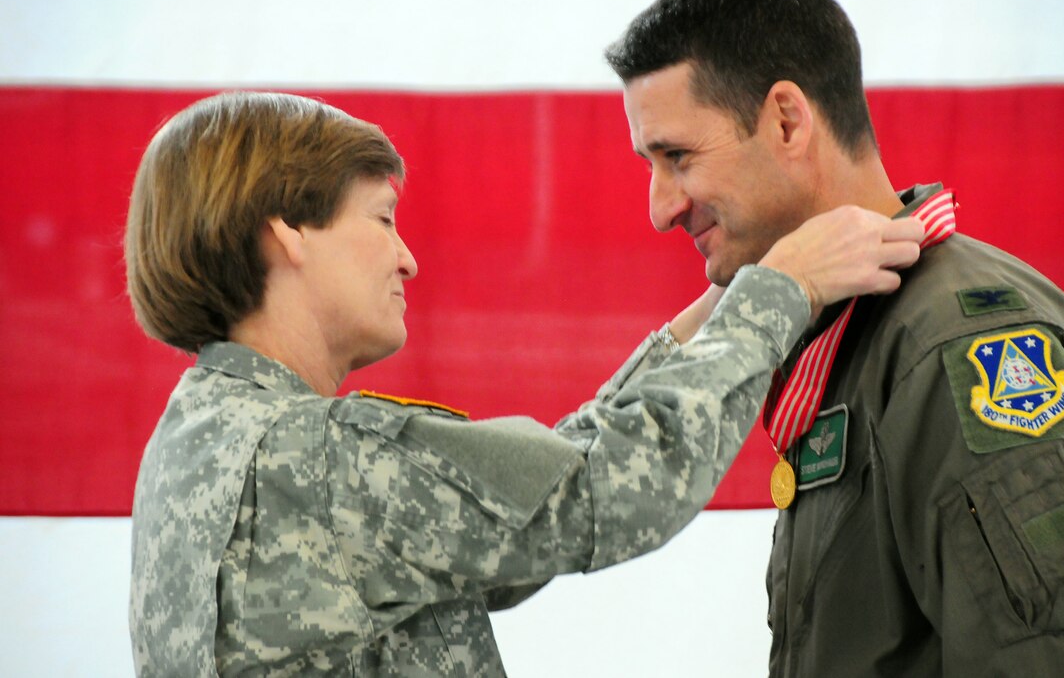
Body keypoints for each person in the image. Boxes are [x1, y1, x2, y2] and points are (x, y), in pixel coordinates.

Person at [124, 91, 921, 676]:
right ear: (288, 233)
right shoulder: (311, 456)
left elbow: (525, 516)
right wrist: (780, 290)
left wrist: (711, 314)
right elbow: (607, 494)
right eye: (380, 218)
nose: (407, 256)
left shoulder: (203, 434)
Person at [606, 0, 1064, 675]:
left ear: (787, 120)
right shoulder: (849, 322)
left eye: (677, 155)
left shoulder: (961, 346)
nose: (660, 207)